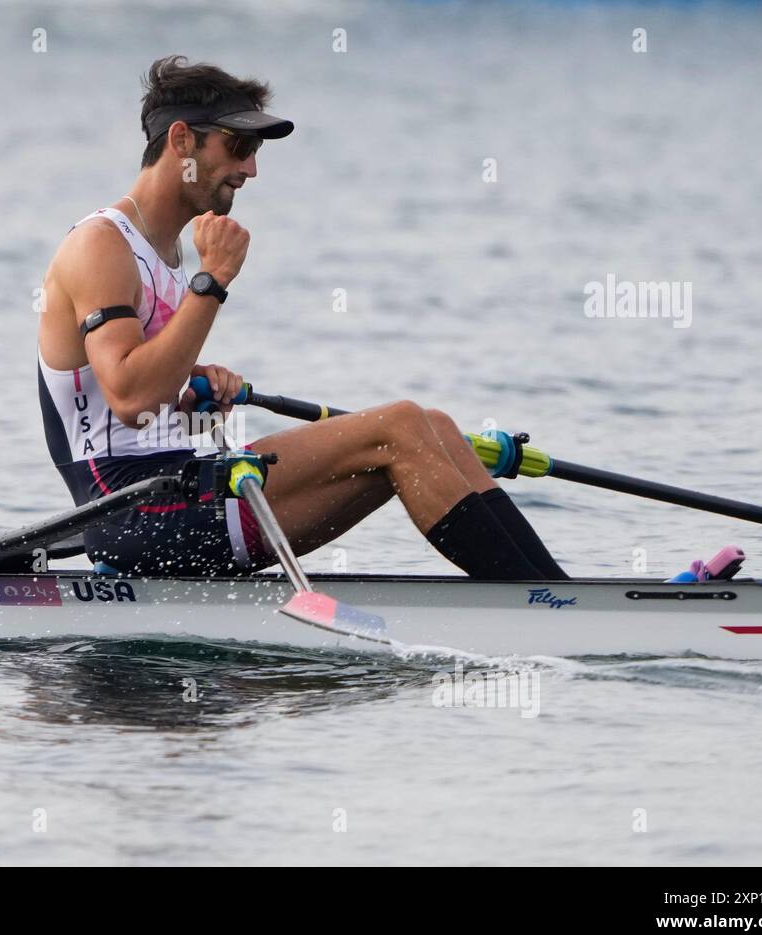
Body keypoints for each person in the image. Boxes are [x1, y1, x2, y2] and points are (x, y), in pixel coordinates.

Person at [37, 55, 566, 580]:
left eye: (256, 151)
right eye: (238, 147)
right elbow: (131, 400)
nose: (251, 169)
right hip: (133, 512)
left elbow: (138, 401)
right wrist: (214, 279)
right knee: (400, 425)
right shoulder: (101, 245)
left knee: (435, 427)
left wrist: (191, 400)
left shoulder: (169, 251)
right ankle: (545, 608)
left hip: (179, 488)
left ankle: (547, 594)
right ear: (181, 141)